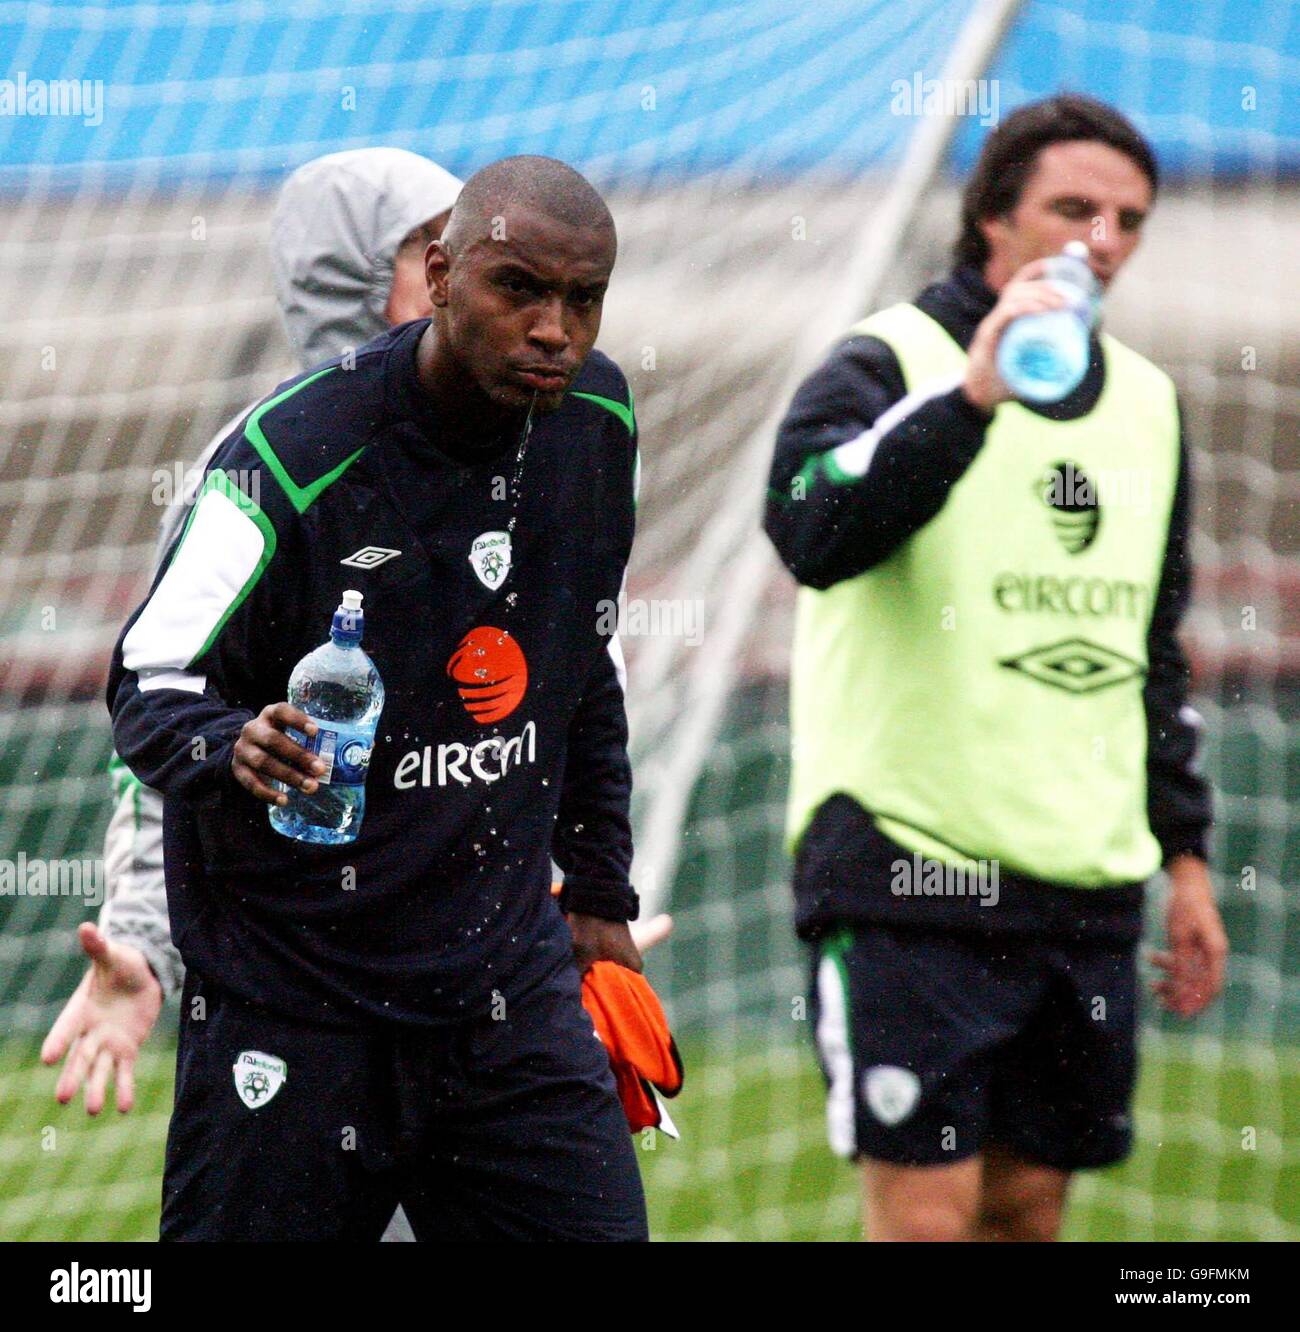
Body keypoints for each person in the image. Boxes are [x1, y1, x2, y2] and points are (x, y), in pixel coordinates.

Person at [107, 154, 649, 1242]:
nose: (555, 329)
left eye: (581, 301)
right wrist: (228, 744)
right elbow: (146, 674)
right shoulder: (289, 453)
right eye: (519, 290)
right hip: (296, 1004)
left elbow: (580, 662)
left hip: (505, 999)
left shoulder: (597, 423)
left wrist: (599, 892)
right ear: (441, 277)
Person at [764, 95, 1228, 1242]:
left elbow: (1148, 656)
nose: (1101, 240)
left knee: (1027, 1215)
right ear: (991, 217)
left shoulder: (1149, 407)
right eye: (1073, 208)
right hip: (912, 874)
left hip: (1082, 886)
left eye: (1127, 219)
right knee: (926, 1225)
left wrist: (1185, 857)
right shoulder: (890, 361)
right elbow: (809, 528)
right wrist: (970, 399)